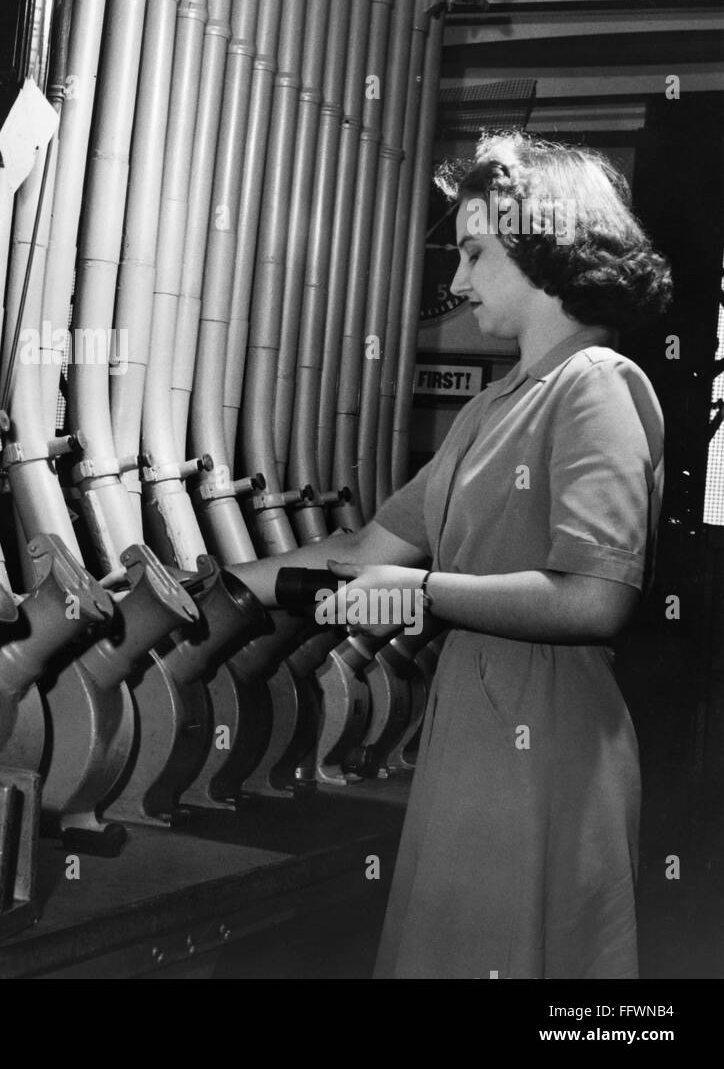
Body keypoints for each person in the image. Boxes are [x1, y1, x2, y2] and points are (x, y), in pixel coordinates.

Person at [231, 131, 673, 978]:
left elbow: (594, 598)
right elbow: (365, 547)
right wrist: (212, 586)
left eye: (474, 253)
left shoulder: (598, 384)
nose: (459, 281)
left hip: (549, 742)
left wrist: (423, 592)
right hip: (470, 735)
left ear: (547, 244)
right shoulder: (490, 407)